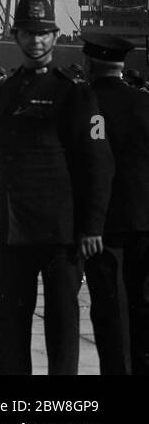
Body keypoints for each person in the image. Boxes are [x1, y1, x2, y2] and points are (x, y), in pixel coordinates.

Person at [0, 0, 112, 376]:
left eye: (43, 33)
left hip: (61, 231)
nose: (36, 41)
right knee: (10, 323)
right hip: (12, 230)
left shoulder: (75, 92)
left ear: (56, 36)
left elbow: (98, 162)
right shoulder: (7, 91)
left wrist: (92, 226)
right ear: (16, 36)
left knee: (61, 323)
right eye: (28, 32)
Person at [78, 31, 149, 376]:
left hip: (105, 226)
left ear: (89, 64)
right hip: (144, 222)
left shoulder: (88, 105)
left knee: (110, 312)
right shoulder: (144, 102)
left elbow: (91, 162)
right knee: (143, 306)